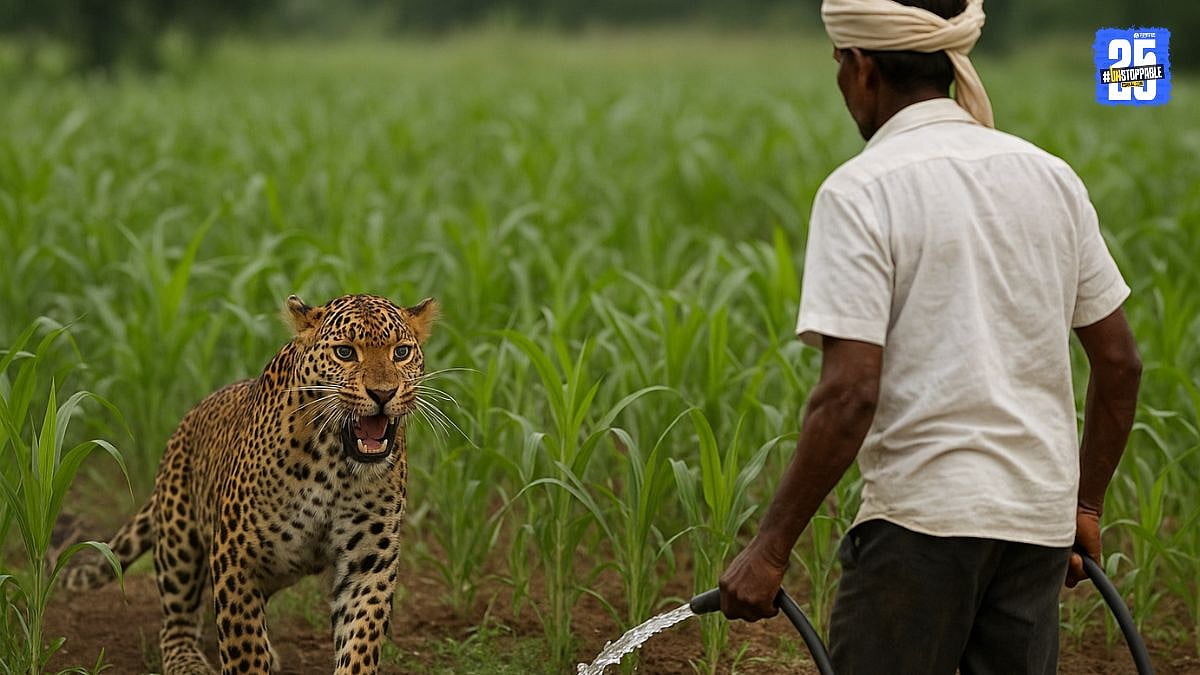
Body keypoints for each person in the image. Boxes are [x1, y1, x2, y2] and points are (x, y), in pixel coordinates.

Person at [716, 0, 1143, 673]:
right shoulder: (1051, 177)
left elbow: (850, 392)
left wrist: (769, 548)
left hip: (920, 528)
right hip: (1034, 528)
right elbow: (1119, 363)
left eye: (838, 67)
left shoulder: (861, 191)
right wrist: (1084, 503)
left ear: (860, 69)